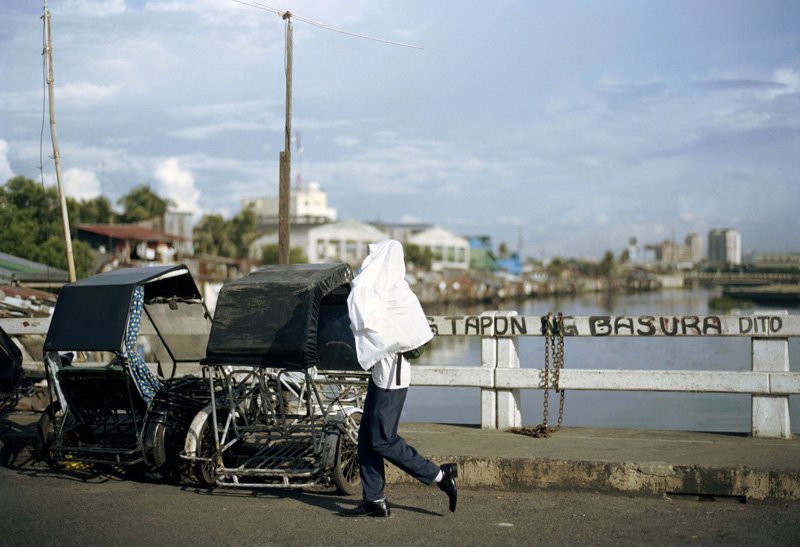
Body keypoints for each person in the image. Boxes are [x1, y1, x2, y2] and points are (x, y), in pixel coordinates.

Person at [340, 239, 458, 518]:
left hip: (392, 375)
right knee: (366, 438)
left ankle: (440, 475)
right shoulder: (389, 289)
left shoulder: (394, 292)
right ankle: (374, 499)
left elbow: (371, 319)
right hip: (381, 371)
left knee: (382, 440)